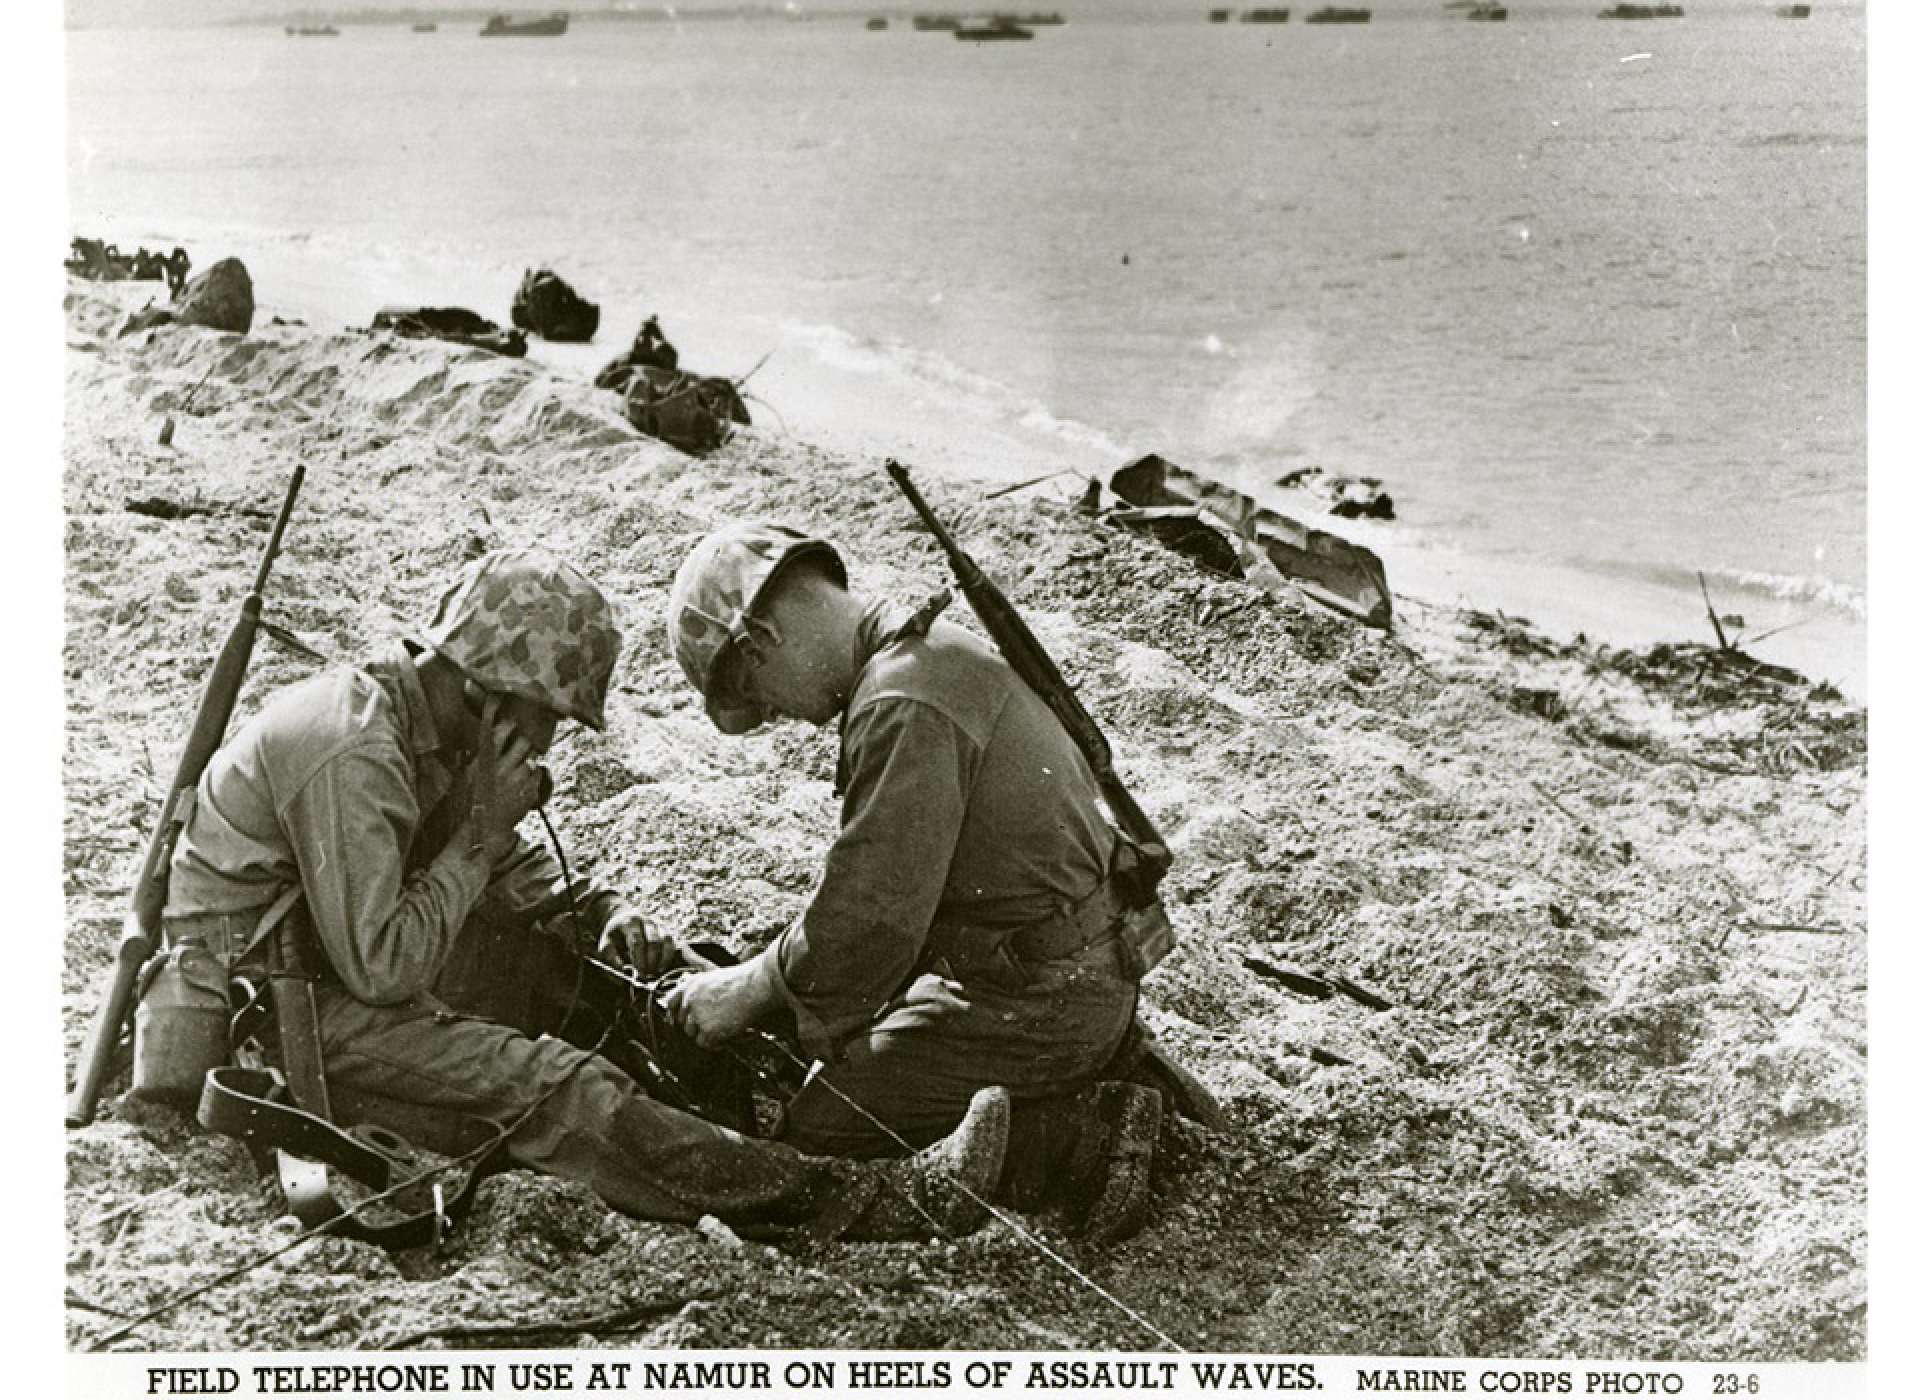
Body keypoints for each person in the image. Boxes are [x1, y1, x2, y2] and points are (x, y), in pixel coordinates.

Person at [159, 546, 1009, 1242]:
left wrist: (603, 917)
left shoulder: (431, 724)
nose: (549, 740)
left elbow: (503, 876)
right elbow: (382, 967)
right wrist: (483, 833)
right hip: (285, 1010)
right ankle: (873, 1201)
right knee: (557, 1086)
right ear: (486, 690)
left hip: (347, 961)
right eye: (549, 715)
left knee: (622, 976)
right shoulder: (353, 749)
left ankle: (813, 1104)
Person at [662, 522, 1167, 1243]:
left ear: (761, 640)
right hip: (1070, 964)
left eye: (756, 694)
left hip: (1043, 999)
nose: (773, 714)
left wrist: (752, 988)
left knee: (818, 1135)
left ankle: (1074, 1133)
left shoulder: (902, 703)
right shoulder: (925, 655)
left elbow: (871, 923)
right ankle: (1087, 1073)